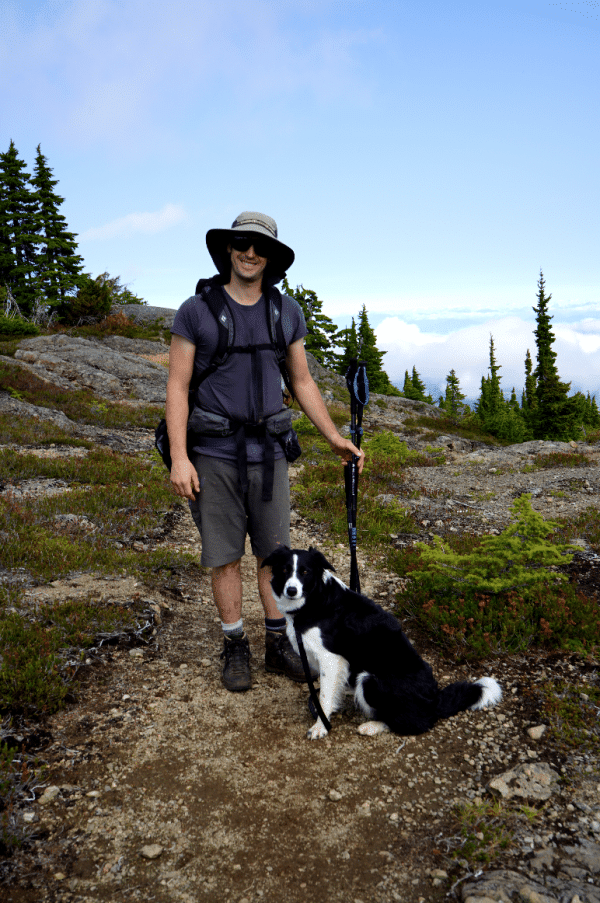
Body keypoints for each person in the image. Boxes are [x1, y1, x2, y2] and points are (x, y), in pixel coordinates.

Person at [166, 211, 364, 692]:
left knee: (273, 558)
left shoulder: (285, 311)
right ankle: (235, 643)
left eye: (259, 246)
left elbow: (301, 380)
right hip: (212, 452)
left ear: (270, 256)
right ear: (228, 249)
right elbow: (177, 385)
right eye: (241, 243)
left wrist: (334, 436)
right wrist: (179, 456)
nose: (249, 252)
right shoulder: (196, 311)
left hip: (270, 454)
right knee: (224, 556)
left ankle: (278, 644)